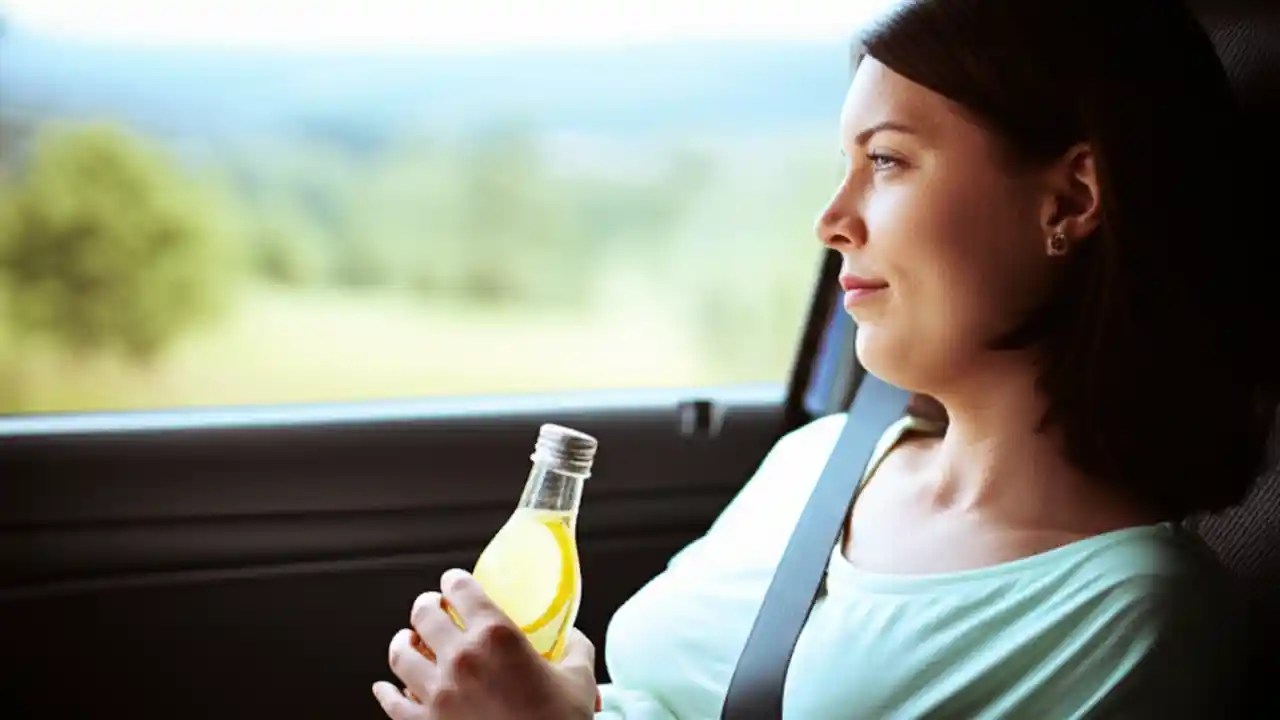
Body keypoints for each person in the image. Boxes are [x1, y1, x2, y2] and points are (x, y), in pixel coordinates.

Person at [372, 0, 1279, 717]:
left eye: (886, 160)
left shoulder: (1132, 622)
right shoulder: (822, 458)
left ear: (1072, 198)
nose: (830, 218)